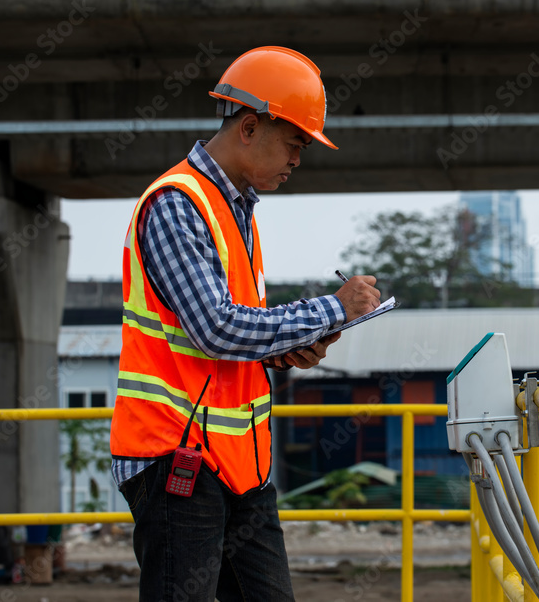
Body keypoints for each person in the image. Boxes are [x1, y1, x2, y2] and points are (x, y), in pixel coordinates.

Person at [109, 46, 380, 601]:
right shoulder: (177, 205)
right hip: (176, 460)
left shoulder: (237, 212)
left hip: (239, 466)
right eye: (295, 142)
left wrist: (284, 351)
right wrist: (333, 308)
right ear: (251, 127)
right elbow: (216, 328)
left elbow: (232, 334)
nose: (298, 159)